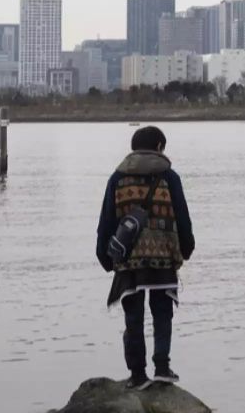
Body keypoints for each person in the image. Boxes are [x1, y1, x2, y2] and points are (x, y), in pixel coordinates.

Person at [95, 126, 195, 390]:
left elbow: (106, 221)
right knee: (162, 314)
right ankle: (162, 368)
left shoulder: (117, 178)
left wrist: (105, 257)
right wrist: (186, 248)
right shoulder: (169, 177)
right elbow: (182, 217)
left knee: (133, 318)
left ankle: (137, 374)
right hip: (164, 258)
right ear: (159, 146)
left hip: (128, 261)